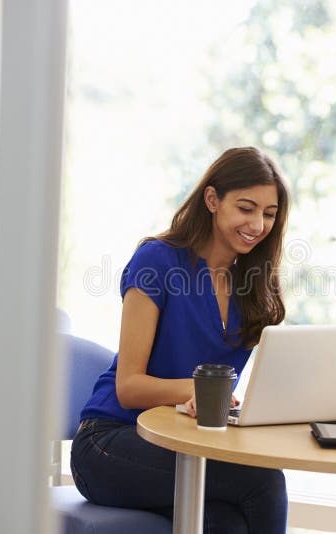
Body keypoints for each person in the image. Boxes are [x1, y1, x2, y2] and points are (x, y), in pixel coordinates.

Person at [71, 147, 290, 533]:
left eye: (269, 214)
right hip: (110, 442)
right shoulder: (158, 261)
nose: (257, 224)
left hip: (187, 447)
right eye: (245, 208)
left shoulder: (253, 286)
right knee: (264, 481)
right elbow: (129, 387)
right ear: (212, 200)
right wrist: (199, 390)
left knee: (231, 524)